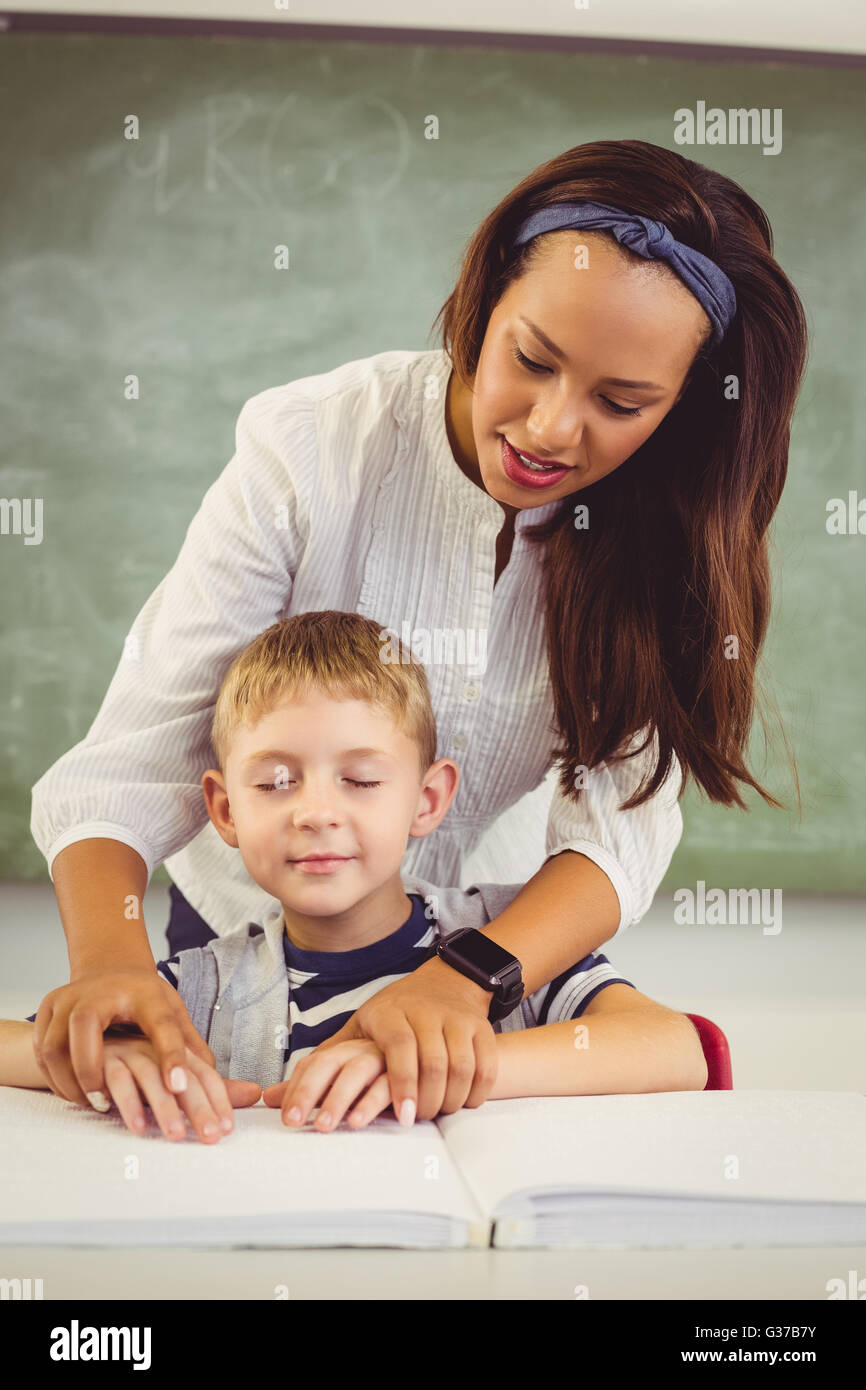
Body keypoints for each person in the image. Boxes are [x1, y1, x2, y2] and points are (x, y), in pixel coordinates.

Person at [28, 138, 806, 1127]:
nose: (550, 430)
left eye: (621, 404)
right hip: (242, 920)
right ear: (480, 301)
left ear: (679, 410)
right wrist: (110, 970)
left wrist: (467, 980)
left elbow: (616, 829)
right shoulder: (311, 447)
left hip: (498, 942)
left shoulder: (670, 527)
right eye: (530, 360)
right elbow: (136, 764)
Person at [4, 613, 708, 1139]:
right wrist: (99, 1056)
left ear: (427, 800)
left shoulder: (499, 941)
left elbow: (677, 1049)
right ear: (223, 810)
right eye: (276, 781)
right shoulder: (200, 989)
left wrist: (456, 1064)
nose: (316, 812)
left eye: (362, 780)